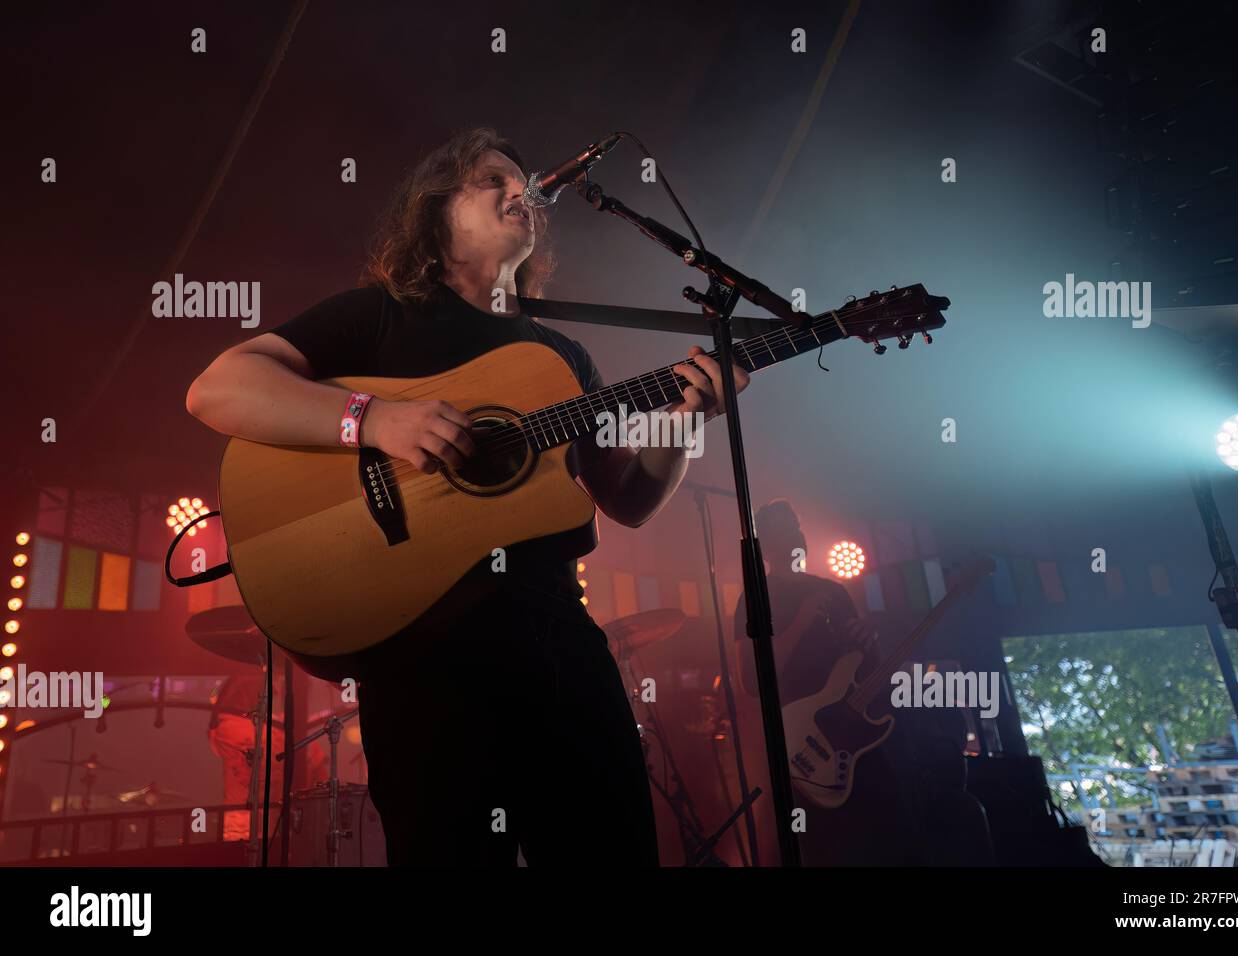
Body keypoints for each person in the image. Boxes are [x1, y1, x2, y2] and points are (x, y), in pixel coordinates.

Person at [186, 127, 749, 865]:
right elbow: (218, 388)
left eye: (524, 184)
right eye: (493, 180)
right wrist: (373, 418)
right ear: (436, 211)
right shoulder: (381, 316)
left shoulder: (560, 355)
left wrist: (686, 420)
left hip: (560, 649)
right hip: (426, 663)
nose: (524, 193)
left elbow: (627, 499)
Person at [732, 499, 920, 865]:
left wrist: (871, 644)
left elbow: (867, 673)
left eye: (796, 524)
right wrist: (800, 622)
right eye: (785, 527)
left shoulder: (834, 592)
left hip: (856, 738)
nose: (795, 533)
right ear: (765, 543)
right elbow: (751, 680)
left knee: (893, 840)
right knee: (827, 848)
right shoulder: (755, 595)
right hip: (803, 746)